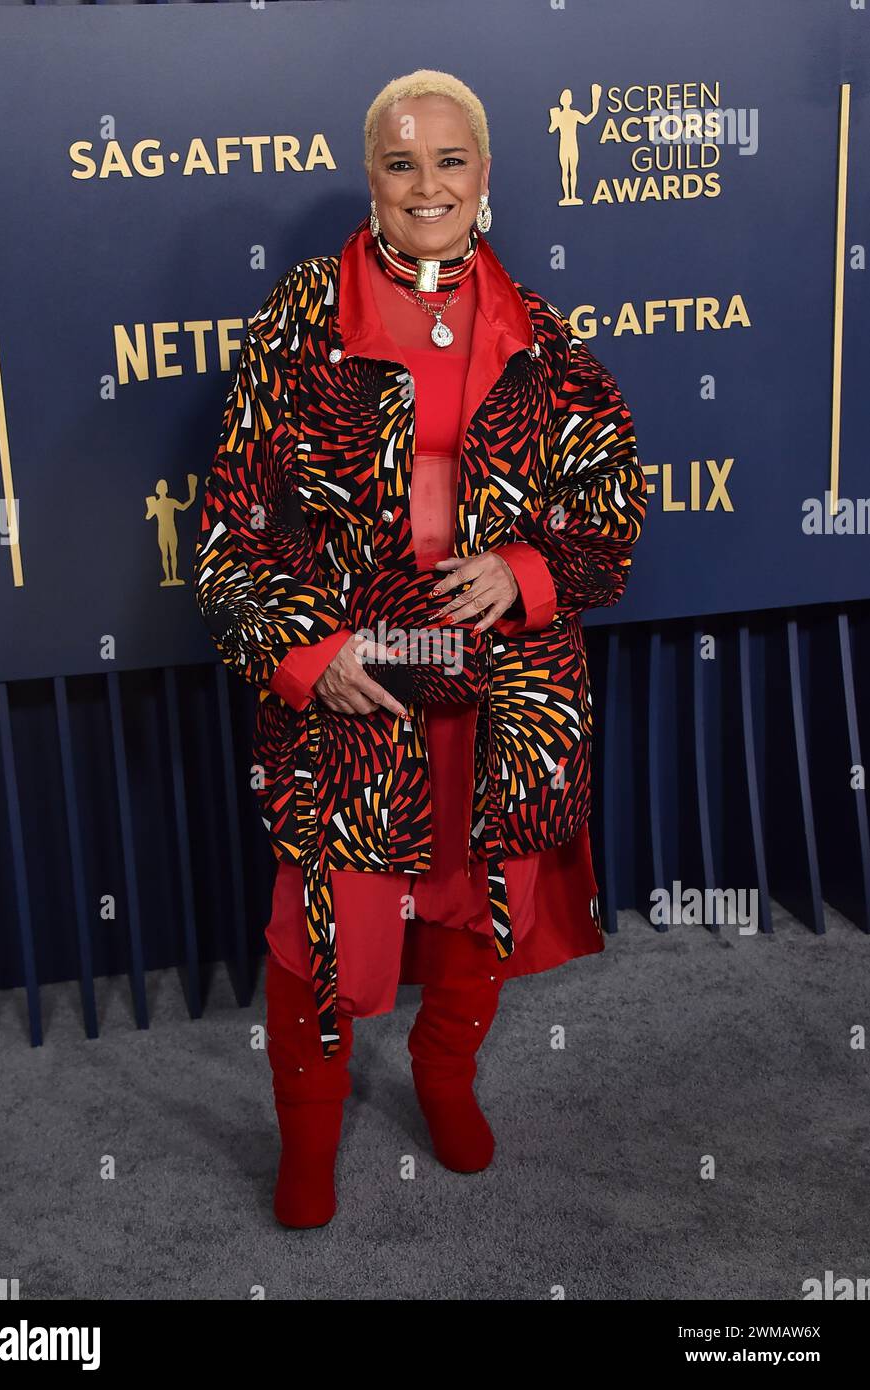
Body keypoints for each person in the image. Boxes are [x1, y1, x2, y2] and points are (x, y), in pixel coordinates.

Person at [193, 68, 647, 1230]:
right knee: (321, 935)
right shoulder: (301, 319)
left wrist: (528, 571)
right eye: (403, 163)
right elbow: (232, 532)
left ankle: (447, 1077)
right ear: (373, 179)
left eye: (451, 161)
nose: (428, 184)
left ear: (485, 176)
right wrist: (309, 655)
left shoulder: (537, 334)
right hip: (362, 682)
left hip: (504, 688)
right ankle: (307, 1137)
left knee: (478, 902)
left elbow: (611, 505)